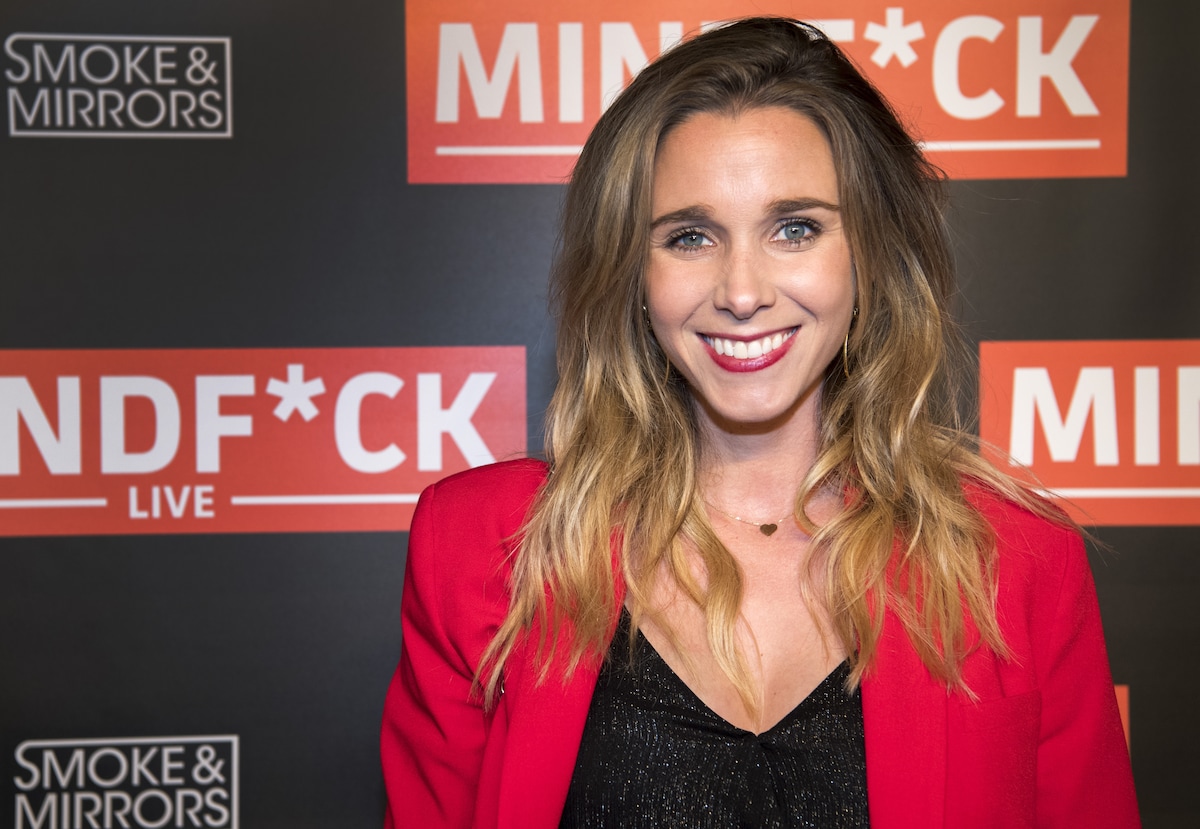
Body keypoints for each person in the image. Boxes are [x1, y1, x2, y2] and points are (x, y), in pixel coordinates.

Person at [380, 17, 1139, 828]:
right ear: (634, 274)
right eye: (690, 236)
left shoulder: (1017, 563)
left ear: (871, 253)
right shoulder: (482, 550)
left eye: (795, 228)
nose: (742, 292)